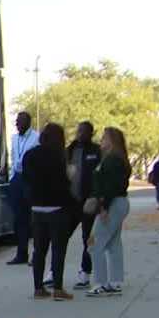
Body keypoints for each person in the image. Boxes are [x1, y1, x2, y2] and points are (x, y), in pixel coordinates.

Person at [24, 123, 75, 301]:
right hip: (57, 208)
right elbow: (65, 183)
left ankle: (38, 288)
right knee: (58, 250)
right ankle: (58, 288)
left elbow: (26, 179)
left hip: (37, 208)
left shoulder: (30, 155)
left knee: (39, 250)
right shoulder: (60, 156)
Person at [86, 127, 132, 298]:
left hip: (112, 204)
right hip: (118, 203)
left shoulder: (112, 160)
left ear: (112, 140)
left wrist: (103, 207)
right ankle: (115, 281)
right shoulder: (114, 159)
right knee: (113, 243)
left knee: (94, 244)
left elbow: (110, 186)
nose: (101, 140)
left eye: (104, 137)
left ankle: (101, 283)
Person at [66, 121, 102, 290]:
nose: (80, 134)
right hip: (72, 201)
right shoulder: (70, 150)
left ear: (91, 133)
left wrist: (96, 197)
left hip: (88, 202)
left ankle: (85, 273)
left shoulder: (96, 151)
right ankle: (53, 271)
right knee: (61, 235)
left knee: (87, 238)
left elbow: (100, 176)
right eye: (79, 130)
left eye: (84, 131)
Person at [7, 112, 40, 265]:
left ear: (28, 122)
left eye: (20, 122)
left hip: (31, 180)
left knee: (33, 219)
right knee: (19, 219)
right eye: (16, 121)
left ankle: (36, 254)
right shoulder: (14, 138)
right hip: (17, 180)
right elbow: (13, 158)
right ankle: (21, 254)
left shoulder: (36, 137)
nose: (17, 124)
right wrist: (12, 176)